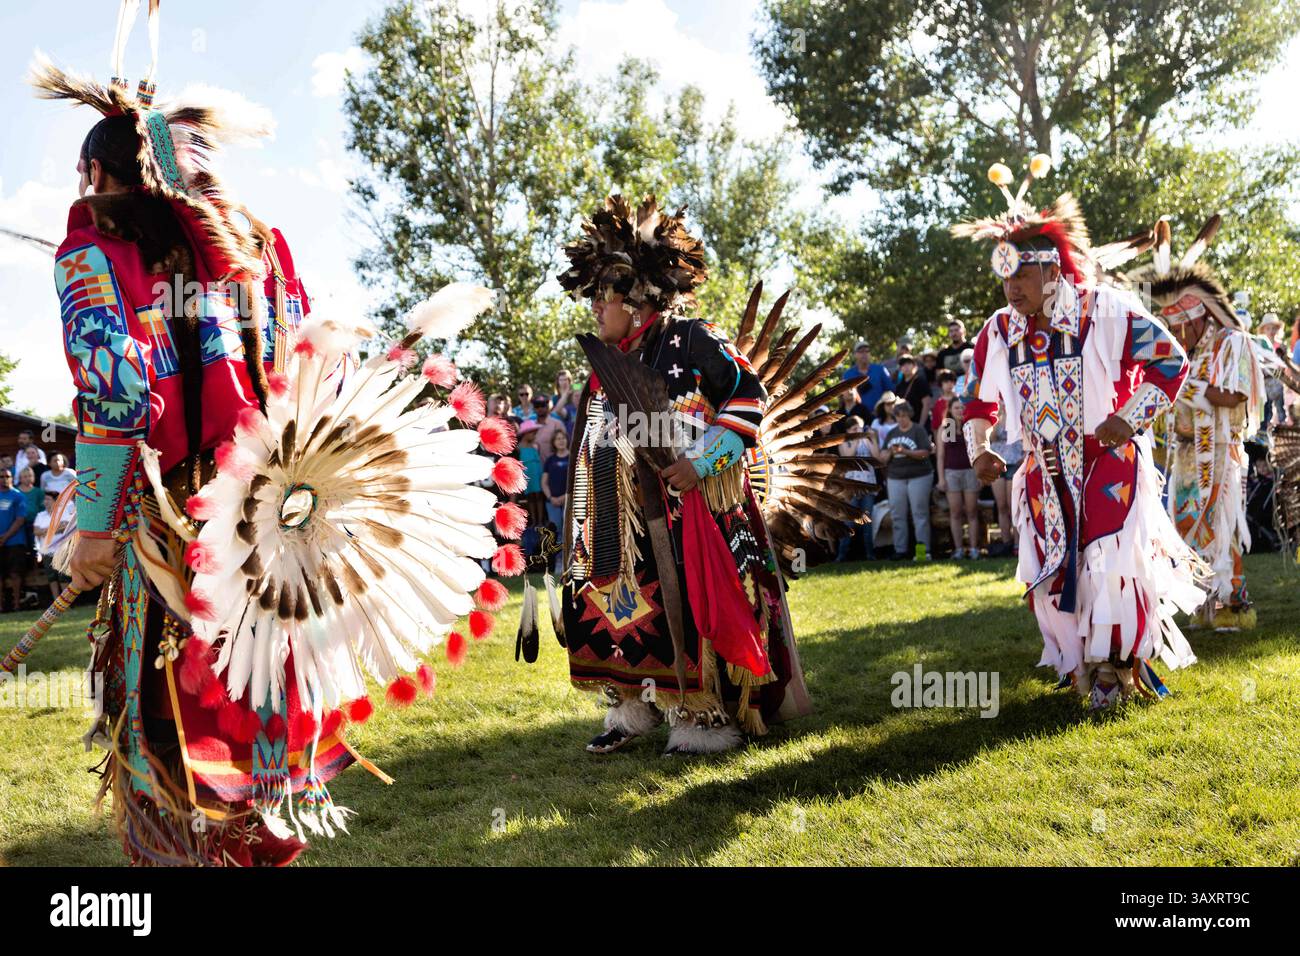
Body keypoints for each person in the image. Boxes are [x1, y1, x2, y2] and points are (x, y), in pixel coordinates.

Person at [556, 194, 812, 755]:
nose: (596, 309)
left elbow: (749, 397)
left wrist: (701, 464)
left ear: (639, 299)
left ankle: (703, 716)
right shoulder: (606, 363)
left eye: (605, 298)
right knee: (620, 601)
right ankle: (629, 709)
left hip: (690, 505)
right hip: (618, 519)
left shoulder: (692, 338)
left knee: (688, 602)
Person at [955, 155, 1203, 710]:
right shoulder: (998, 332)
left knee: (1108, 562)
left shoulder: (1105, 311)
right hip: (1044, 470)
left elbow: (1172, 360)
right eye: (1004, 275)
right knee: (1058, 567)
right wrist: (980, 449)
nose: (1011, 287)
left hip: (1108, 462)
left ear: (1052, 272)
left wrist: (1129, 417)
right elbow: (976, 398)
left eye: (1021, 274)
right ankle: (1080, 665)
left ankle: (1114, 671)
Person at [1129, 217, 1265, 631]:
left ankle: (1230, 608)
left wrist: (1193, 387)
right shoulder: (1176, 355)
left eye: (1178, 328)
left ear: (1197, 318)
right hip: (1183, 454)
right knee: (1186, 525)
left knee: (1219, 529)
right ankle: (1201, 606)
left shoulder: (1232, 343)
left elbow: (1236, 396)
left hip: (1221, 451)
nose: (1174, 336)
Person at [878, 400, 933, 561]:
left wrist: (905, 451)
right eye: (898, 416)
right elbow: (883, 457)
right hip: (896, 477)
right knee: (897, 515)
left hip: (920, 475)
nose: (901, 419)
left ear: (909, 415)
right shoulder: (892, 433)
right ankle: (900, 550)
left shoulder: (918, 430)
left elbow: (925, 453)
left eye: (904, 416)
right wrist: (889, 453)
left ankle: (924, 551)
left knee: (919, 514)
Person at [937, 398, 980, 558]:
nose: (959, 410)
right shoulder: (947, 426)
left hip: (970, 471)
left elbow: (978, 451)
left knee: (972, 511)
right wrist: (941, 478)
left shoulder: (971, 425)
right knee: (955, 512)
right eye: (956, 408)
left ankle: (974, 549)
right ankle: (959, 549)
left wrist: (979, 474)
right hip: (952, 472)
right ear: (950, 409)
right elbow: (941, 455)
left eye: (962, 408)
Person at [835, 416, 877, 561]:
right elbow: (848, 456)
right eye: (854, 429)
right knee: (848, 522)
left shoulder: (868, 440)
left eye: (860, 427)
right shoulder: (845, 442)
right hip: (851, 487)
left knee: (867, 521)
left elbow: (877, 456)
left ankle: (870, 554)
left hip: (867, 486)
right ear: (848, 430)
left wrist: (871, 439)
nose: (858, 430)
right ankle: (842, 555)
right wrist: (856, 438)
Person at [987, 412, 1023, 556]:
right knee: (1001, 506)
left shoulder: (1018, 413)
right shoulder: (996, 415)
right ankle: (1006, 542)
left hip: (1015, 461)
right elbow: (992, 438)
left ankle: (1017, 543)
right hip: (997, 462)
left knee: (1012, 506)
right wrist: (999, 417)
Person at [33, 491, 75, 600]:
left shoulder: (63, 513)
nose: (45, 502)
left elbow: (65, 526)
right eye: (45, 499)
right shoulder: (40, 515)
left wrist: (45, 530)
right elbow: (36, 531)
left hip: (61, 550)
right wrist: (54, 529)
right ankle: (56, 602)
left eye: (48, 499)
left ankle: (65, 602)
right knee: (52, 577)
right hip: (47, 551)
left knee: (63, 577)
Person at [0, 468, 29, 612]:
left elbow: (20, 519)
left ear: (12, 478)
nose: (4, 479)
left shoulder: (18, 496)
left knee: (15, 574)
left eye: (7, 476)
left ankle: (17, 604)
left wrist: (4, 537)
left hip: (15, 542)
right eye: (1, 476)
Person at [842, 341, 891, 415]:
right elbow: (843, 398)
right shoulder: (848, 375)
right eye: (861, 351)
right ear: (855, 354)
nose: (864, 354)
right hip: (857, 418)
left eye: (867, 351)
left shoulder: (880, 370)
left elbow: (890, 391)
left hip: (879, 417)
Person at [517, 418, 545, 534]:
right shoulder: (519, 448)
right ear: (526, 433)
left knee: (539, 497)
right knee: (530, 498)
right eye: (532, 432)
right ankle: (533, 520)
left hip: (537, 473)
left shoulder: (535, 446)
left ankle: (541, 520)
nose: (534, 435)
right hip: (527, 474)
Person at [529, 393, 565, 461]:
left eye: (543, 405)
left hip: (553, 466)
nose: (540, 408)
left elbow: (565, 447)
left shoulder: (557, 424)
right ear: (534, 408)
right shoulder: (530, 427)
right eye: (537, 406)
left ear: (548, 406)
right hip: (536, 467)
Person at [896, 354, 931, 423]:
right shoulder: (899, 386)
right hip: (905, 425)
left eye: (909, 363)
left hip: (919, 423)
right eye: (903, 365)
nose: (906, 367)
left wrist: (921, 425)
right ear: (900, 368)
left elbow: (927, 404)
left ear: (914, 366)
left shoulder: (920, 381)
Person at [552, 368, 579, 433]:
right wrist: (565, 394)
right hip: (560, 427)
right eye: (561, 380)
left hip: (574, 424)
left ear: (569, 380)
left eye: (565, 379)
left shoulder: (574, 387)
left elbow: (582, 387)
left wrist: (574, 388)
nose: (563, 382)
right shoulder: (555, 398)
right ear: (558, 382)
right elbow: (555, 411)